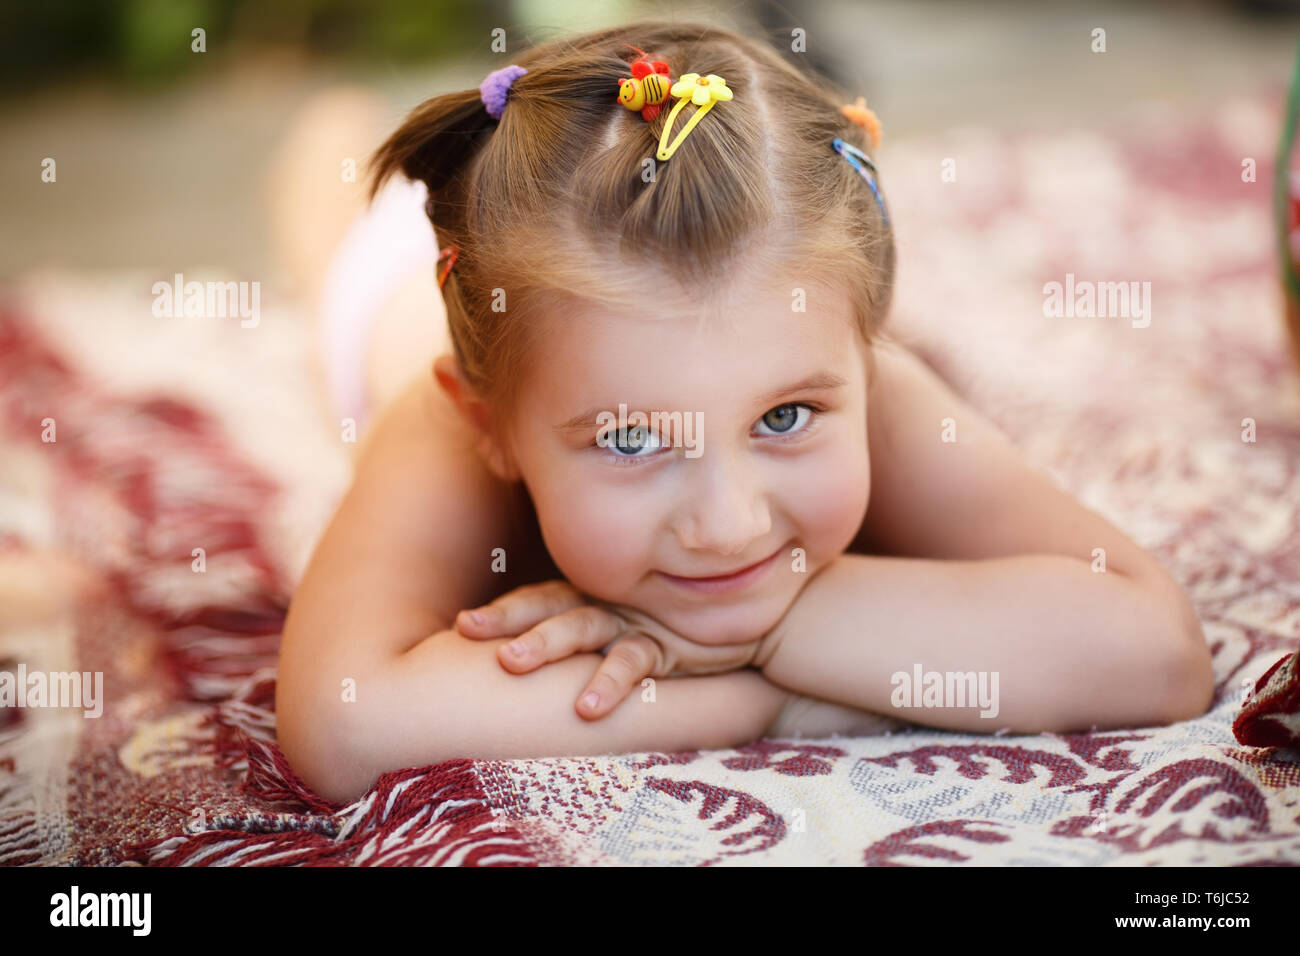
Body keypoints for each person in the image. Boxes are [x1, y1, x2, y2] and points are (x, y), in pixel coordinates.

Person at [274, 21, 1213, 804]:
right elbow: (343, 722)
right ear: (492, 427)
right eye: (632, 437)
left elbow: (1159, 651)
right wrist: (771, 697)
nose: (729, 527)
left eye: (784, 421)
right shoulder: (444, 434)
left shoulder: (867, 385)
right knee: (340, 237)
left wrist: (768, 637)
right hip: (397, 304)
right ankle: (329, 130)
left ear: (864, 351)